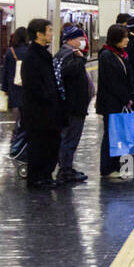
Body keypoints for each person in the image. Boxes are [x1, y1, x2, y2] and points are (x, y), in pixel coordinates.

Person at [21, 18, 65, 189]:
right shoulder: (32, 56)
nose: (52, 34)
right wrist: (48, 96)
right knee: (39, 145)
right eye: (49, 30)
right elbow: (33, 85)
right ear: (39, 34)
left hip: (48, 110)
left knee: (51, 143)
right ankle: (37, 177)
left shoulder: (43, 54)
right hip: (39, 112)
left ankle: (46, 175)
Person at [95, 24, 134, 180]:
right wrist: (126, 98)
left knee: (118, 135)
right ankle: (107, 168)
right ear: (116, 38)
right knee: (110, 135)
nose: (127, 40)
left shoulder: (121, 54)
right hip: (111, 103)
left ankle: (116, 166)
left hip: (121, 102)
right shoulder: (106, 55)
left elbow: (128, 77)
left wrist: (130, 95)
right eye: (124, 37)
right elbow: (112, 82)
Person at [54, 25, 91, 185]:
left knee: (68, 138)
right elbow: (67, 72)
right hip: (73, 106)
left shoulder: (64, 54)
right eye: (80, 39)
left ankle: (67, 168)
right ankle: (66, 171)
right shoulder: (69, 55)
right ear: (70, 40)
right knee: (70, 139)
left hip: (72, 105)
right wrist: (81, 58)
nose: (83, 42)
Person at [0, 26, 28, 155]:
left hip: (14, 88)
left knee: (17, 115)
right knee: (26, 116)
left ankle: (15, 138)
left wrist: (4, 89)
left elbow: (5, 72)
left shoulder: (10, 52)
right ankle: (22, 138)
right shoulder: (29, 51)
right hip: (27, 88)